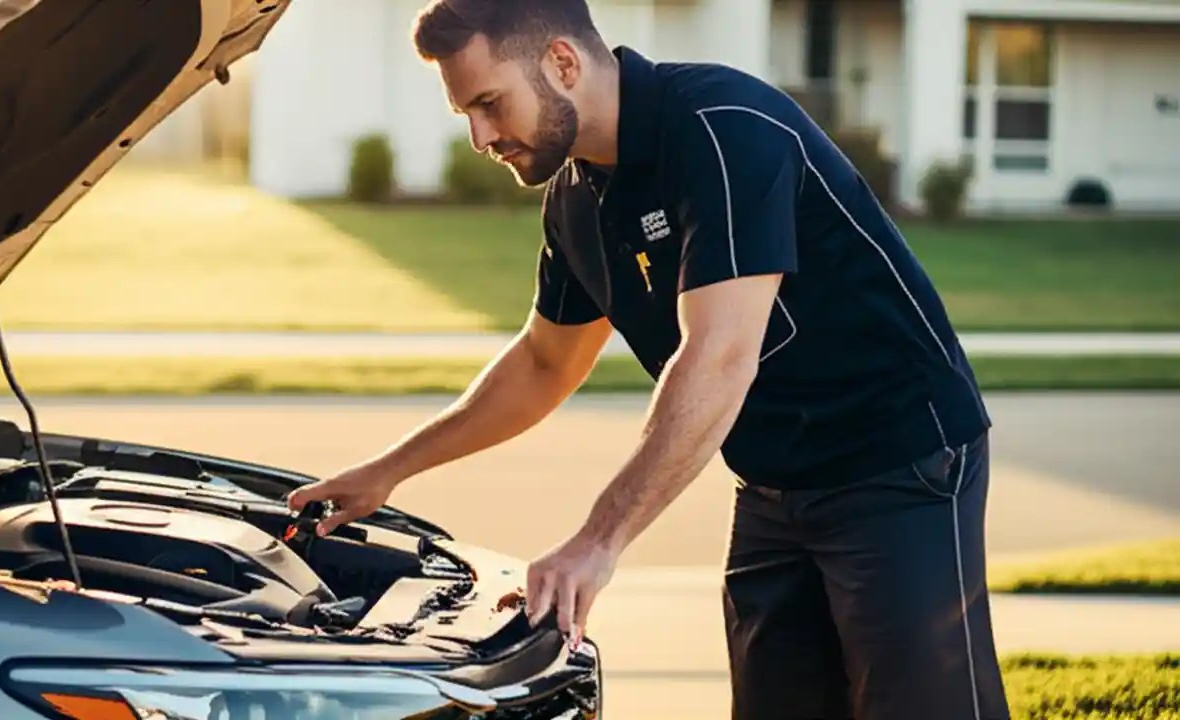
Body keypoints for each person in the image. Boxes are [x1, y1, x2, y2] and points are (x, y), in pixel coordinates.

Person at [287, 1, 1010, 717]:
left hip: (901, 464)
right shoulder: (575, 198)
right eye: (466, 115)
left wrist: (597, 542)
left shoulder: (723, 129)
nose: (480, 137)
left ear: (562, 63)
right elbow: (543, 364)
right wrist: (389, 471)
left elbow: (721, 357)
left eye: (489, 103)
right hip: (773, 484)